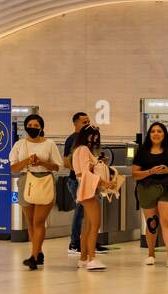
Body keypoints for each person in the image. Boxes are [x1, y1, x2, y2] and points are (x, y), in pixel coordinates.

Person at [9, 113, 61, 270]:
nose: (32, 129)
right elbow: (13, 168)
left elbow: (57, 166)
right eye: (30, 126)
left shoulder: (49, 144)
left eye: (36, 126)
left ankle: (33, 256)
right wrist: (27, 161)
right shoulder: (19, 144)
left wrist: (41, 162)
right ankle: (37, 252)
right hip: (26, 181)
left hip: (44, 181)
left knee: (39, 221)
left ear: (42, 128)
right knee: (30, 221)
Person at [132, 121, 168, 268]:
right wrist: (150, 172)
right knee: (152, 224)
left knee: (167, 221)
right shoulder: (142, 151)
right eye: (153, 131)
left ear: (164, 134)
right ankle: (151, 253)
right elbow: (135, 173)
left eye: (159, 131)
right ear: (149, 134)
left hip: (167, 188)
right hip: (146, 189)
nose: (156, 134)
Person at [64, 111, 109, 257]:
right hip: (84, 186)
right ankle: (83, 251)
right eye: (84, 122)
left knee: (89, 223)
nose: (87, 125)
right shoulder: (79, 146)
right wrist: (100, 180)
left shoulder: (84, 148)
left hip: (87, 186)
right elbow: (81, 171)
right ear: (75, 124)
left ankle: (85, 254)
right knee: (90, 221)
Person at [71, 124, 115, 270]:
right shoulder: (83, 149)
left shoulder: (79, 149)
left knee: (88, 227)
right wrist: (103, 182)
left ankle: (84, 258)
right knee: (94, 225)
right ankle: (91, 258)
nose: (94, 138)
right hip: (88, 191)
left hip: (86, 190)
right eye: (92, 135)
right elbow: (85, 172)